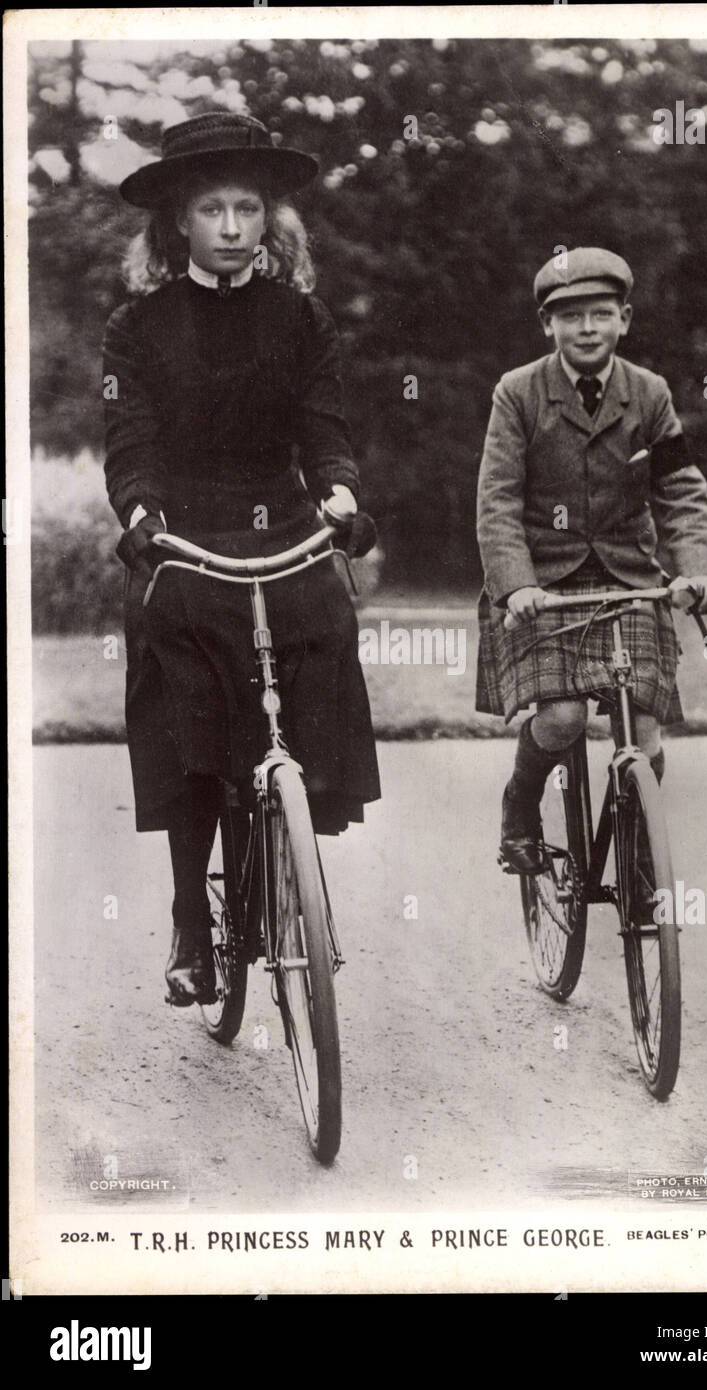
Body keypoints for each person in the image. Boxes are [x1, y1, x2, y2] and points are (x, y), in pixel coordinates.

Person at [103, 112, 380, 1005]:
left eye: (248, 209)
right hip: (181, 540)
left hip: (282, 528)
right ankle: (193, 919)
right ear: (177, 221)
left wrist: (338, 492)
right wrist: (140, 512)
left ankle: (286, 837)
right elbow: (129, 441)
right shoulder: (137, 328)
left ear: (271, 221)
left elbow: (323, 428)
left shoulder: (301, 318)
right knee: (188, 720)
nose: (230, 227)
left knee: (315, 651)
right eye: (212, 209)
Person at [475, 246, 707, 873]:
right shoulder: (518, 393)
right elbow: (498, 501)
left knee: (644, 732)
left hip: (629, 578)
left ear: (625, 319)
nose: (586, 328)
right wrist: (516, 587)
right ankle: (521, 803)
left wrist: (696, 569)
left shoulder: (649, 394)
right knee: (559, 719)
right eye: (571, 316)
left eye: (600, 314)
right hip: (546, 583)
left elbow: (681, 490)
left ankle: (642, 847)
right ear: (547, 325)